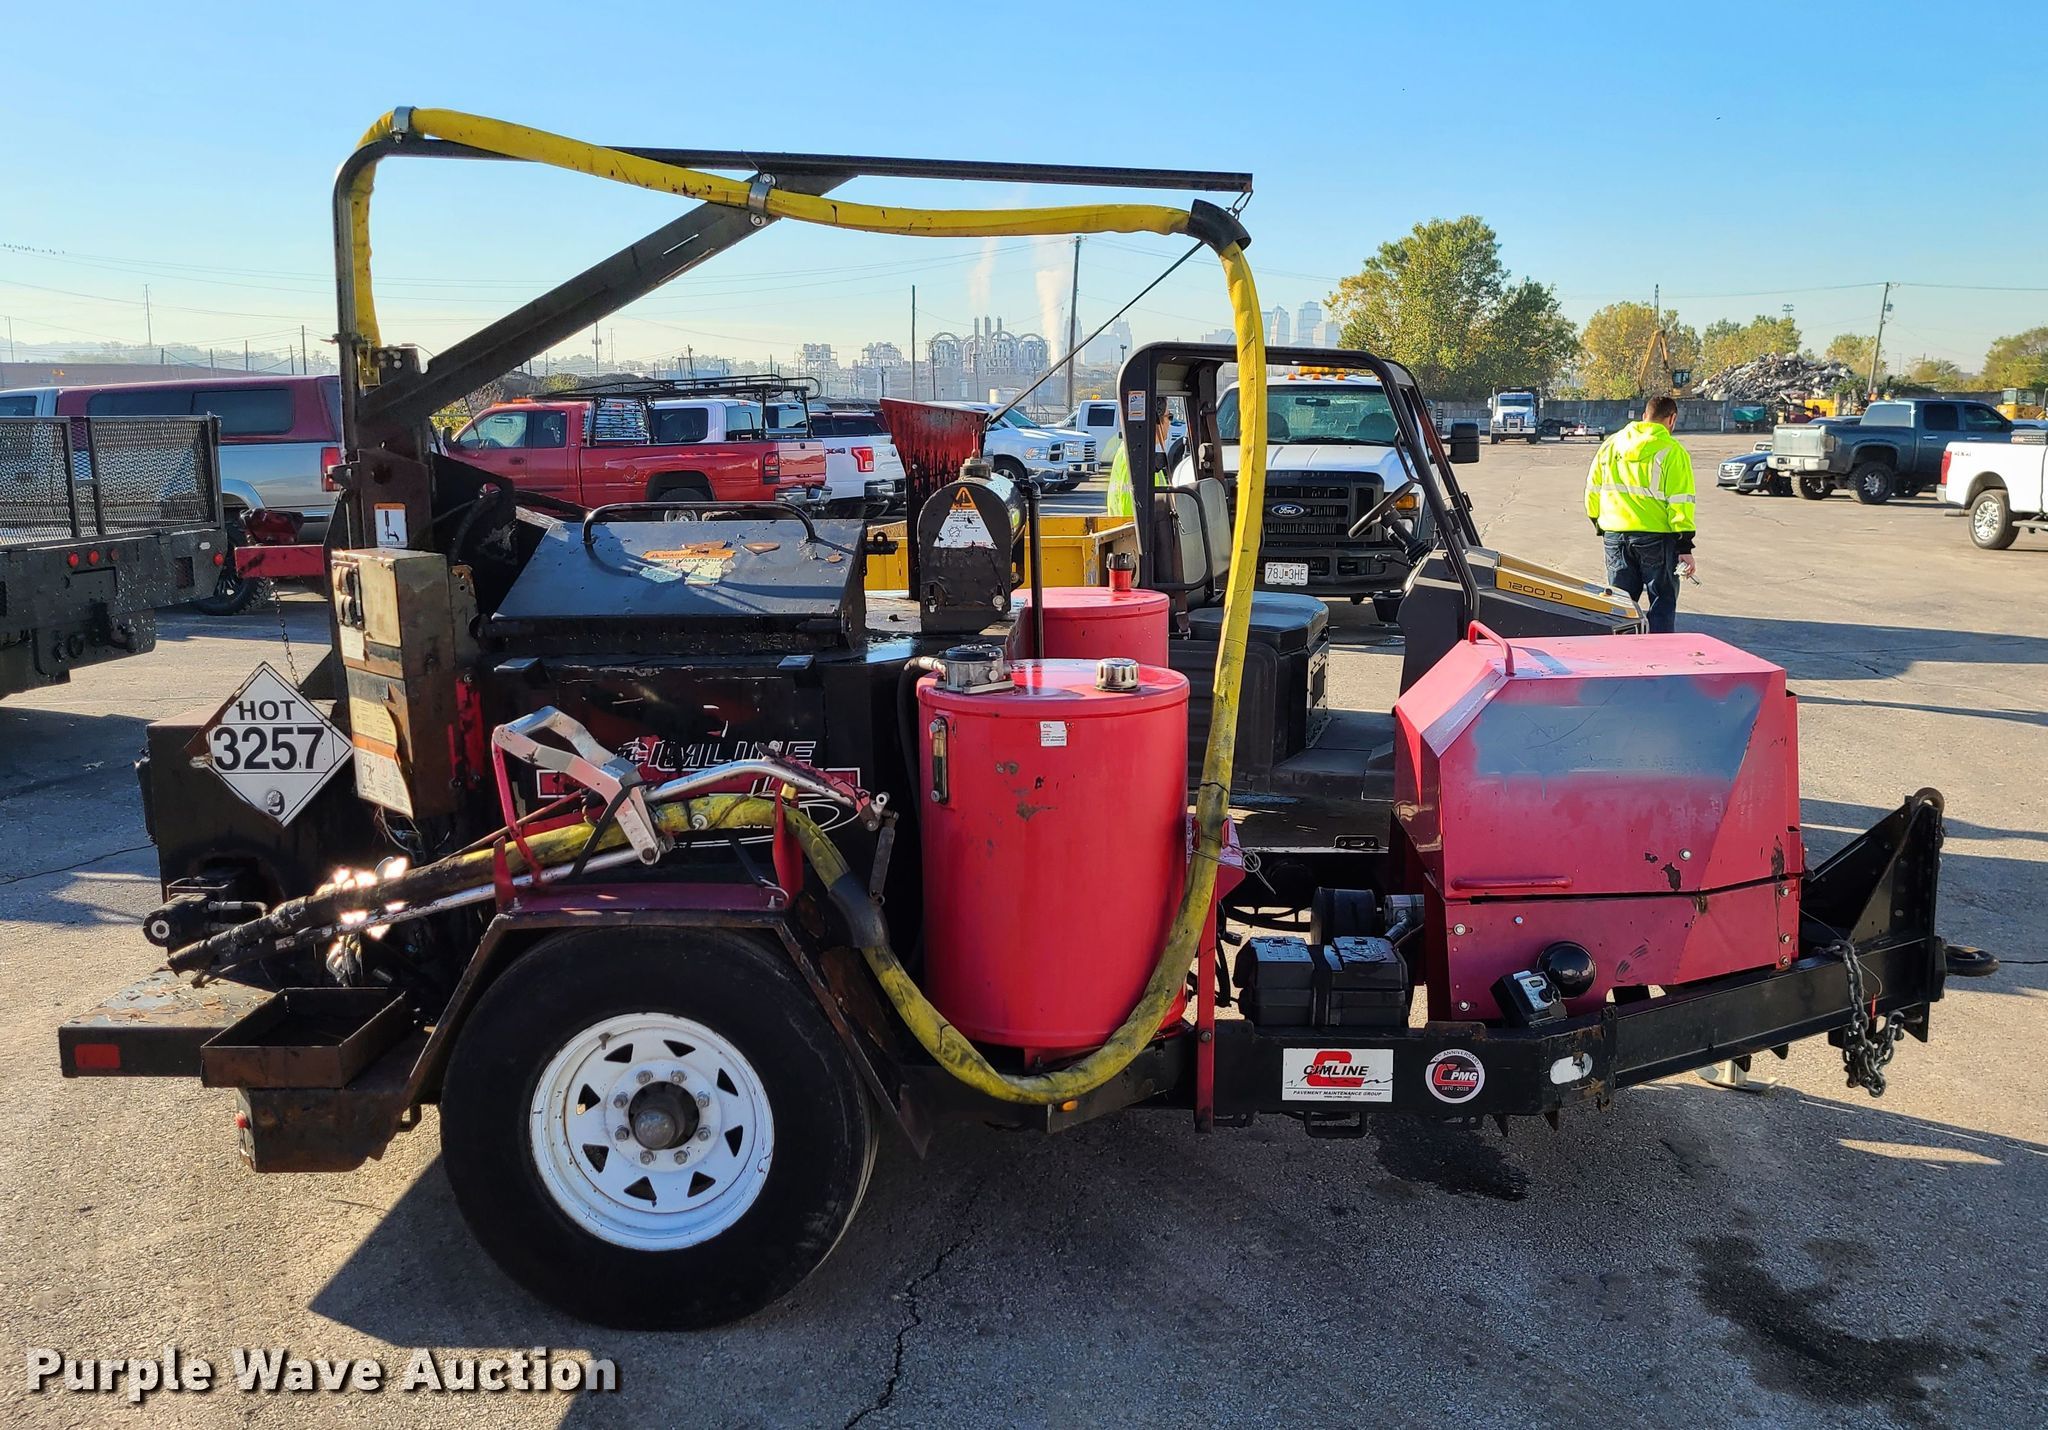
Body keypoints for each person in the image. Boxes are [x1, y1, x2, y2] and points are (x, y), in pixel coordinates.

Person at [1584, 394, 1696, 633]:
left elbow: (1592, 489)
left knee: (1620, 606)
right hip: (1656, 538)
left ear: (1644, 416)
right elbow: (1681, 503)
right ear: (1672, 419)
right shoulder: (1673, 451)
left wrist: (1599, 522)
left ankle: (1621, 651)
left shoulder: (1611, 445)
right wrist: (1685, 546)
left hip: (1615, 534)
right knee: (1662, 601)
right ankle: (1658, 651)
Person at [1106, 400, 1172, 519]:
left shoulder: (1132, 451)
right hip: (1134, 528)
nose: (1170, 423)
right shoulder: (1138, 458)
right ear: (1156, 420)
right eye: (1169, 417)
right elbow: (1134, 511)